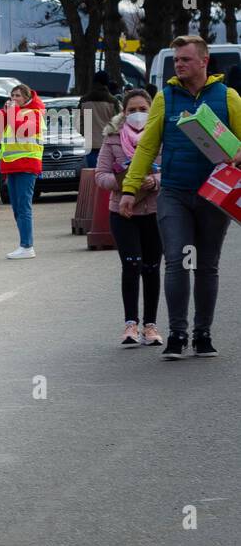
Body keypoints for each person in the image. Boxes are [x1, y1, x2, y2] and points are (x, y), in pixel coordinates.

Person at [119, 35, 241, 358]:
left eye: (185, 59)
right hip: (174, 193)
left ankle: (203, 334)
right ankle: (177, 333)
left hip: (213, 195)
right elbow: (147, 146)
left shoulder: (228, 97)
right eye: (176, 60)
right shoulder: (165, 98)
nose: (179, 64)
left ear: (204, 61)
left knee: (205, 265)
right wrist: (130, 189)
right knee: (176, 260)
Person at [95, 90, 162, 347]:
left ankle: (151, 325)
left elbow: (171, 170)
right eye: (132, 110)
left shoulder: (160, 137)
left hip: (154, 212)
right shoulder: (112, 139)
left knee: (152, 267)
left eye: (142, 109)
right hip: (122, 212)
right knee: (132, 265)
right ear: (123, 112)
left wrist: (154, 180)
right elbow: (99, 175)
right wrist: (122, 183)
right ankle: (130, 324)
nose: (137, 114)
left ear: (152, 110)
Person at [0, 83, 46, 259]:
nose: (14, 99)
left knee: (23, 207)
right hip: (10, 165)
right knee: (16, 208)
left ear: (27, 98)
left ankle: (27, 246)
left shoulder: (35, 113)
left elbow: (23, 131)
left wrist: (12, 113)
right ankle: (24, 244)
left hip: (27, 165)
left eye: (18, 96)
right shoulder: (12, 113)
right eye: (12, 96)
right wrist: (3, 113)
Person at [79, 77, 118, 169]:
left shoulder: (84, 100)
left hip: (91, 143)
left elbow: (79, 122)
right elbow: (118, 123)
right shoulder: (113, 101)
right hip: (108, 143)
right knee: (106, 172)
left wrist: (84, 133)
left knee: (92, 172)